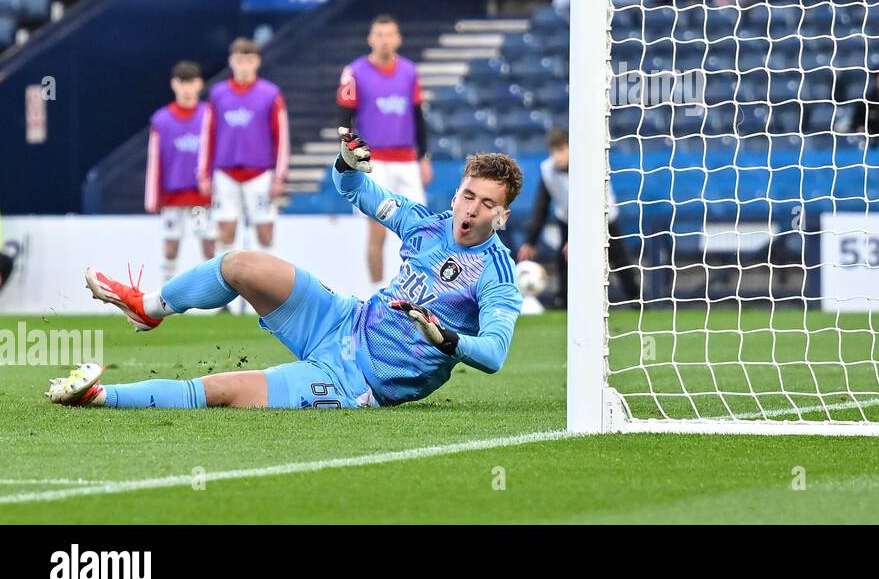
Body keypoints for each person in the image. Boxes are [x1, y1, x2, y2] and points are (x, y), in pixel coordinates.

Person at [47, 140, 525, 410]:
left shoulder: (498, 275)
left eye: (487, 204)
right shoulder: (426, 224)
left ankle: (98, 396)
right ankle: (148, 308)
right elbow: (354, 189)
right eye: (467, 195)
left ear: (501, 216)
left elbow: (494, 354)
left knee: (225, 390)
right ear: (456, 193)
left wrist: (446, 339)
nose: (471, 209)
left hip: (354, 380)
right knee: (239, 264)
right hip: (342, 320)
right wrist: (347, 163)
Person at [337, 15, 432, 286]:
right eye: (379, 34)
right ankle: (375, 292)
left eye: (389, 34)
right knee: (376, 227)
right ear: (370, 38)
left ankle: (418, 291)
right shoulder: (355, 71)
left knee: (420, 228)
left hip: (406, 160)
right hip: (374, 161)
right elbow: (344, 118)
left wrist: (423, 157)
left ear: (398, 38)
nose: (384, 40)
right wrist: (352, 156)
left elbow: (418, 116)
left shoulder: (410, 71)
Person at [199, 38, 289, 297]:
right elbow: (209, 134)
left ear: (257, 62)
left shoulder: (270, 94)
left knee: (265, 231)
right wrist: (204, 172)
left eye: (249, 60)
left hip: (260, 172)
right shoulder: (218, 94)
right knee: (225, 231)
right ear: (231, 62)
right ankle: (223, 293)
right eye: (239, 60)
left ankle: (267, 290)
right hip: (226, 172)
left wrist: (279, 175)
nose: (244, 65)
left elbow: (281, 135)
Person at [518, 128, 638, 309]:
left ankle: (635, 298)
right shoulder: (547, 170)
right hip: (567, 220)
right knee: (564, 260)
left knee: (618, 258)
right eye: (553, 152)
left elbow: (591, 203)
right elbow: (541, 207)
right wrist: (530, 241)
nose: (557, 156)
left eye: (561, 150)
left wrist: (577, 238)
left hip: (602, 218)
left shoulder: (588, 165)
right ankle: (564, 301)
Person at [146, 61, 215, 284]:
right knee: (171, 244)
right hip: (173, 196)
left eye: (191, 83)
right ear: (174, 84)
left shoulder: (209, 115)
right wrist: (153, 198)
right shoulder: (161, 120)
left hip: (201, 197)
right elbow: (155, 160)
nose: (186, 89)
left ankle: (218, 297)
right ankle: (165, 293)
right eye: (182, 83)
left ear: (199, 84)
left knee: (208, 242)